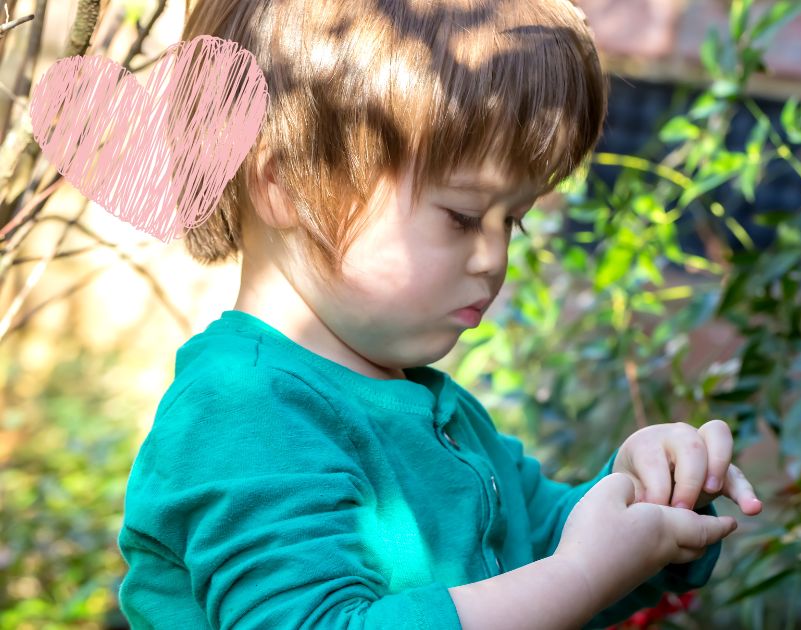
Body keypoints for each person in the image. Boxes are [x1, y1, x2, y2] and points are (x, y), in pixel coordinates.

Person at [116, 0, 762, 628]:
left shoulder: (425, 403)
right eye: (461, 215)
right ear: (283, 184)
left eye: (514, 220)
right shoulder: (243, 413)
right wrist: (583, 572)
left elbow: (539, 559)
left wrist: (644, 495)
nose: (494, 257)